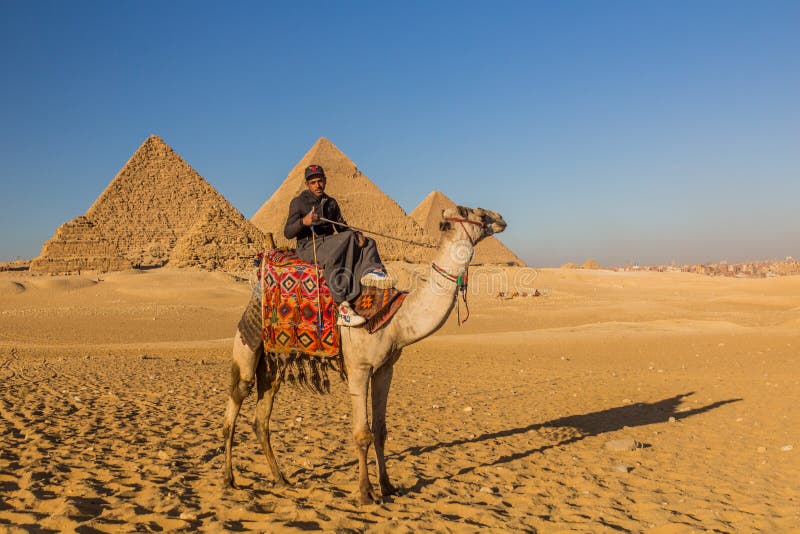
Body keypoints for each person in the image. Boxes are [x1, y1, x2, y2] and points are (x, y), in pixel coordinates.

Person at [284, 164, 395, 327]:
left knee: (367, 241)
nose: (317, 185)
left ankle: (372, 271)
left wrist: (357, 235)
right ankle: (342, 307)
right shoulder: (299, 202)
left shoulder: (331, 203)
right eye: (313, 182)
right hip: (309, 246)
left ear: (325, 180)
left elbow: (342, 228)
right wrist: (303, 221)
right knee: (346, 241)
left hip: (330, 242)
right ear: (307, 184)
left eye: (320, 181)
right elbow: (287, 232)